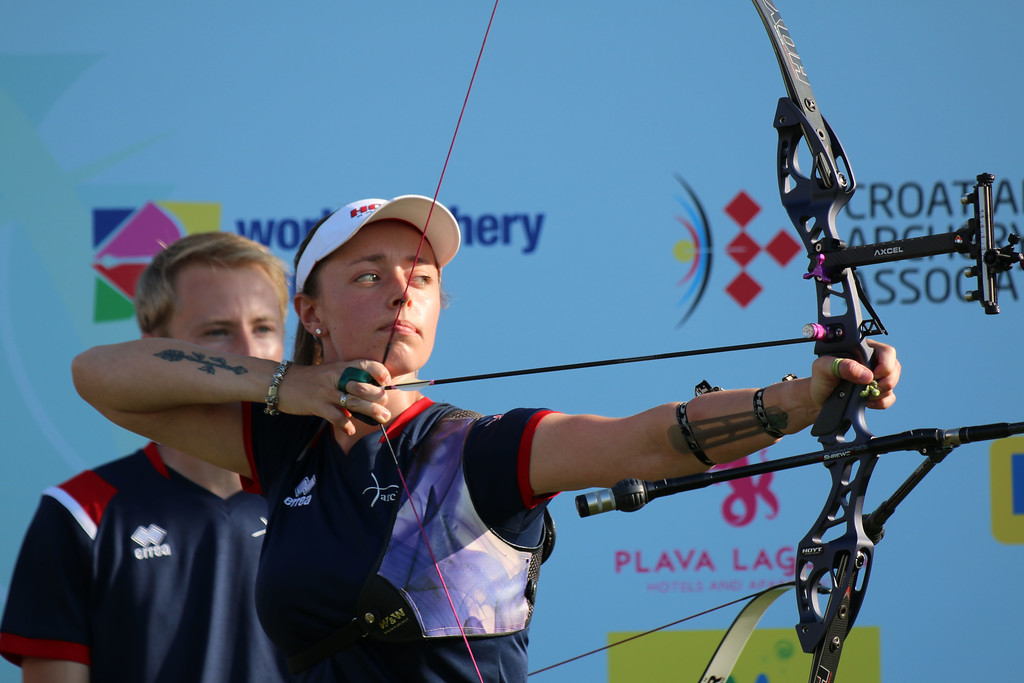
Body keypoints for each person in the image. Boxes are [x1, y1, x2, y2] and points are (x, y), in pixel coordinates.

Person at [68, 195, 902, 682]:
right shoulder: (286, 445)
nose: (402, 290)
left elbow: (651, 441)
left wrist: (803, 396)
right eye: (369, 275)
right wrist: (289, 384)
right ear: (310, 313)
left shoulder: (477, 450)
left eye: (421, 277)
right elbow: (102, 374)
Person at [0, 233, 294, 682]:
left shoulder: (328, 497)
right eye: (218, 332)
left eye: (264, 328)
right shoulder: (81, 512)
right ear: (153, 350)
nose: (250, 355)